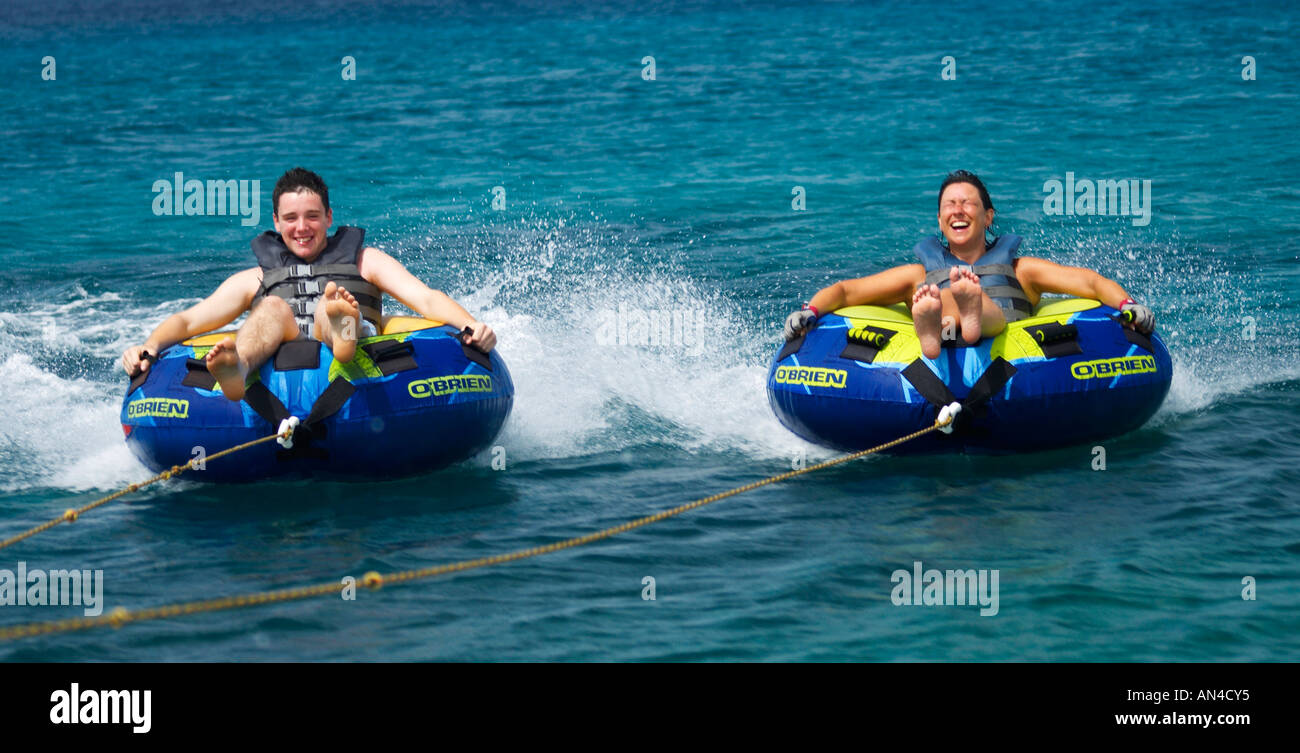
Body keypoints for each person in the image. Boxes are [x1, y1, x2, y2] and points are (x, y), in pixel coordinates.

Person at [121, 167, 496, 400]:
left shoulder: (366, 261)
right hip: (283, 337)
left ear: (329, 217)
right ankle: (240, 369)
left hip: (350, 340)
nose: (302, 228)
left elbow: (426, 299)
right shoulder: (256, 278)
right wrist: (149, 347)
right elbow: (189, 322)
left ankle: (342, 329)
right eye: (292, 218)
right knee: (271, 307)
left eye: (313, 216)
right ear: (276, 221)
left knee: (329, 308)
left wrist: (471, 326)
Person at [783, 170, 1155, 358]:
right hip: (942, 337)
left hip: (1000, 331)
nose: (958, 210)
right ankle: (938, 324)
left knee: (964, 301)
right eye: (950, 205)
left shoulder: (1022, 270)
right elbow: (847, 290)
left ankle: (961, 310)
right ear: (941, 221)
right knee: (937, 299)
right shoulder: (919, 275)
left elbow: (1089, 283)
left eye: (968, 203)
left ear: (989, 216)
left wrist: (1128, 306)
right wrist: (809, 311)